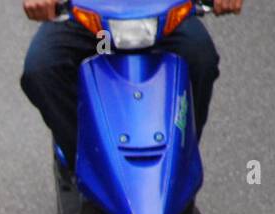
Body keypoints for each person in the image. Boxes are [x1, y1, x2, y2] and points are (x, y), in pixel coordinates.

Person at [20, 0, 241, 171]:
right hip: (92, 23)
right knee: (41, 69)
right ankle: (85, 163)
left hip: (163, 16)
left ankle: (180, 169)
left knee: (201, 60)